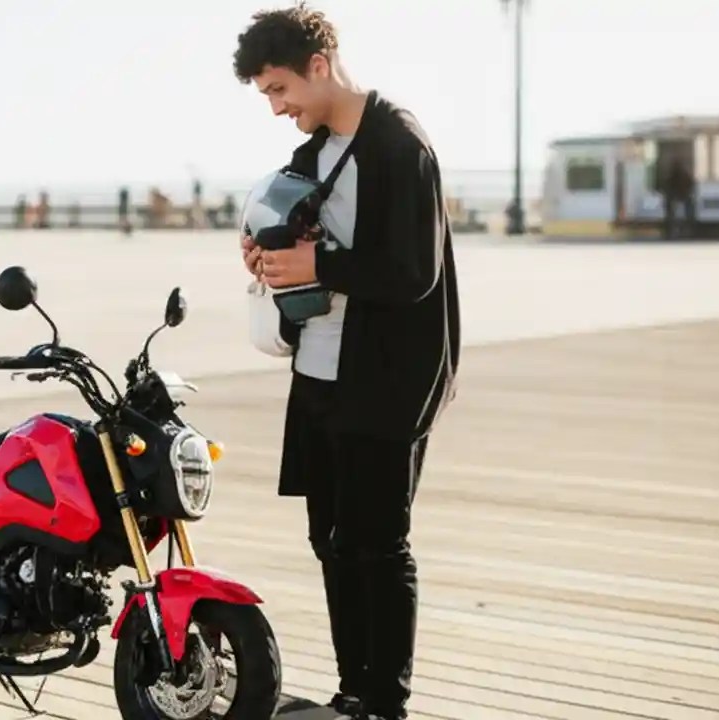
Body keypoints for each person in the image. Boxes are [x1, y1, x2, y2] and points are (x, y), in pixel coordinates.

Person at [232, 4, 461, 719]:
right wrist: (264, 253)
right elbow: (296, 229)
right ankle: (352, 691)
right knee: (329, 540)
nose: (277, 108)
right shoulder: (316, 152)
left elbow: (413, 271)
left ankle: (385, 703)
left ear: (319, 66)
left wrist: (317, 265)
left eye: (279, 89)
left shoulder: (399, 145)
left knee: (377, 543)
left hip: (388, 380)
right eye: (267, 94)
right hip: (319, 376)